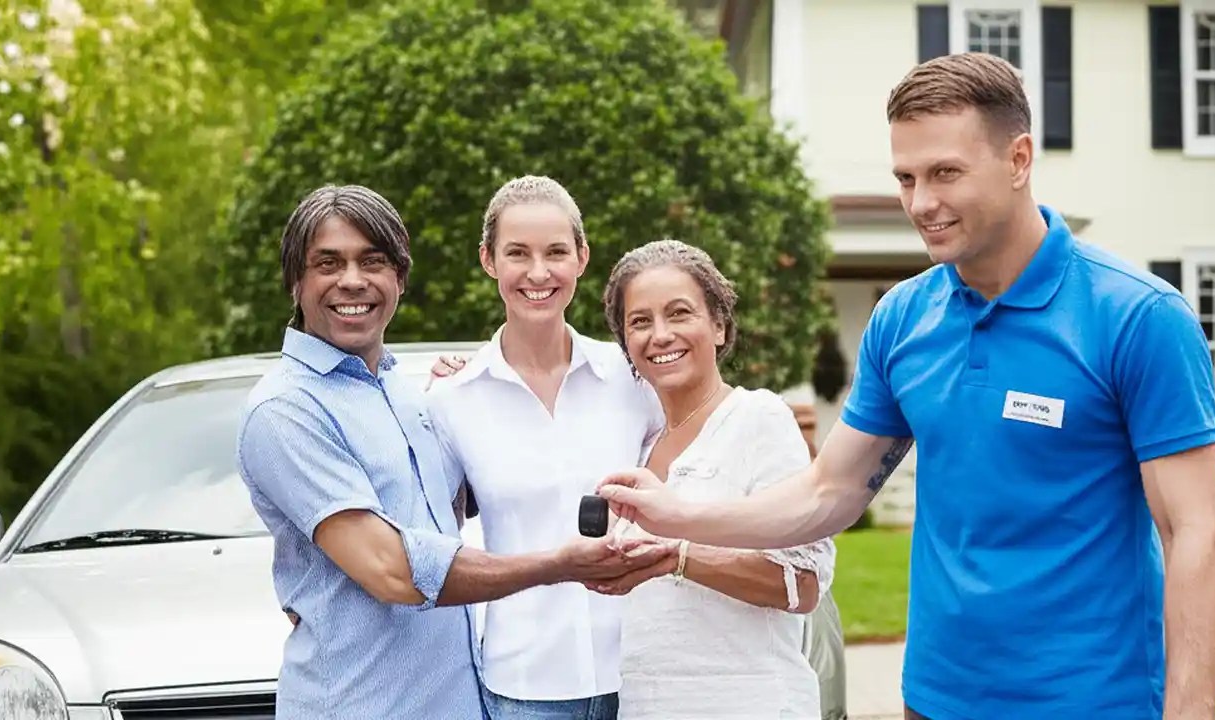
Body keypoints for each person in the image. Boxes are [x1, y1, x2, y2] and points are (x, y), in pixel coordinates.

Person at [598, 52, 1215, 720]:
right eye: (906, 177)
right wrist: (679, 517)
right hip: (936, 698)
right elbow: (829, 491)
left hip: (1093, 699)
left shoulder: (1137, 317)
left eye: (945, 173)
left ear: (1018, 160)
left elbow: (1195, 533)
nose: (921, 203)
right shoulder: (903, 319)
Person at [234, 184, 672, 720]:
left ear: (399, 277)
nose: (352, 280)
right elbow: (389, 569)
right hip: (359, 704)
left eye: (372, 261)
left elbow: (448, 508)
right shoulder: (285, 410)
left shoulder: (404, 391)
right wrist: (557, 564)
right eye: (328, 263)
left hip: (463, 699)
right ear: (295, 280)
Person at [423, 175, 667, 720]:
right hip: (525, 686)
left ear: (582, 257)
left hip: (645, 675)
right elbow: (433, 539)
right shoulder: (451, 399)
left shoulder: (633, 378)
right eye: (518, 253)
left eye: (556, 251)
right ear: (488, 260)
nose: (538, 273)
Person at [591, 239, 842, 719]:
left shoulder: (757, 418)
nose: (659, 334)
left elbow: (803, 582)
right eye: (639, 322)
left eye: (679, 313)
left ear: (720, 325)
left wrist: (677, 557)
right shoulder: (638, 441)